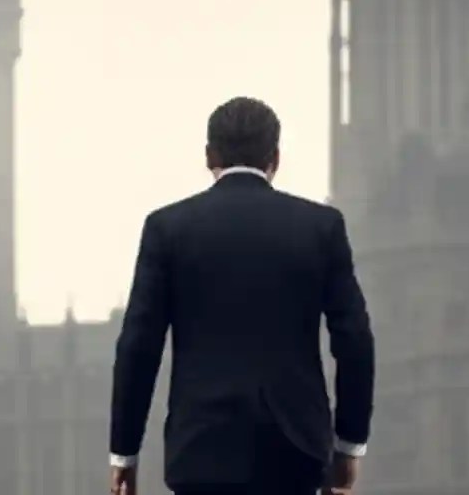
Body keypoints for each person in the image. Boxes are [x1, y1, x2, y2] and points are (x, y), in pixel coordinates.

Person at [108, 96, 375, 495]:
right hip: (295, 454)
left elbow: (138, 348)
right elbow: (355, 342)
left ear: (209, 155)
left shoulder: (167, 229)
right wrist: (348, 447)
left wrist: (124, 455)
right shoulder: (321, 228)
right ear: (275, 157)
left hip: (201, 453)